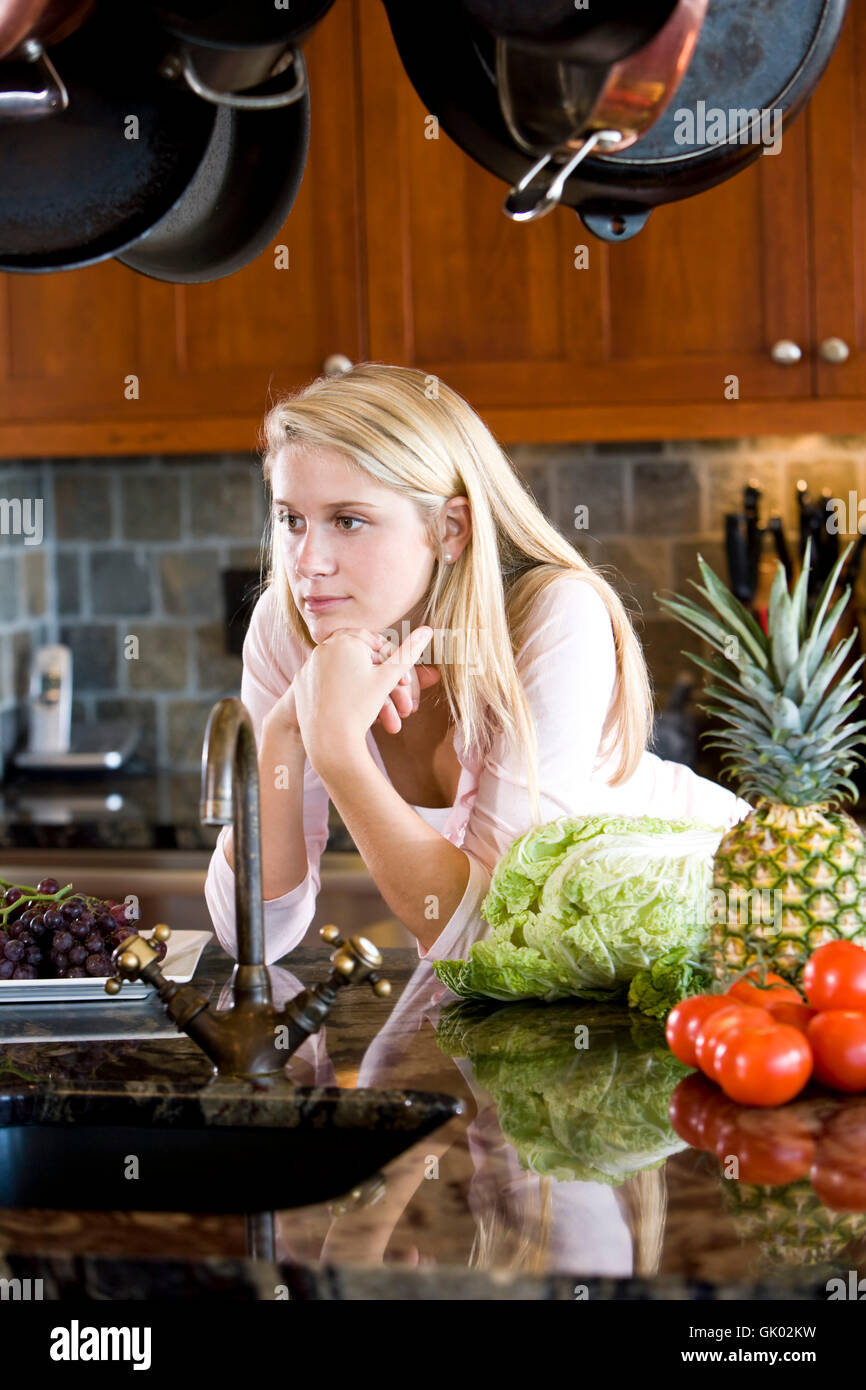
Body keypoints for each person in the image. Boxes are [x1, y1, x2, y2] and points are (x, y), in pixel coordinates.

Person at [205, 362, 751, 966]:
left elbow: (502, 935)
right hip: (584, 988)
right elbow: (253, 936)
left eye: (348, 520)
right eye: (291, 520)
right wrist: (284, 733)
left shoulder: (552, 615)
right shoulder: (290, 627)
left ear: (451, 528)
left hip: (737, 920)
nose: (307, 562)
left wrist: (335, 747)